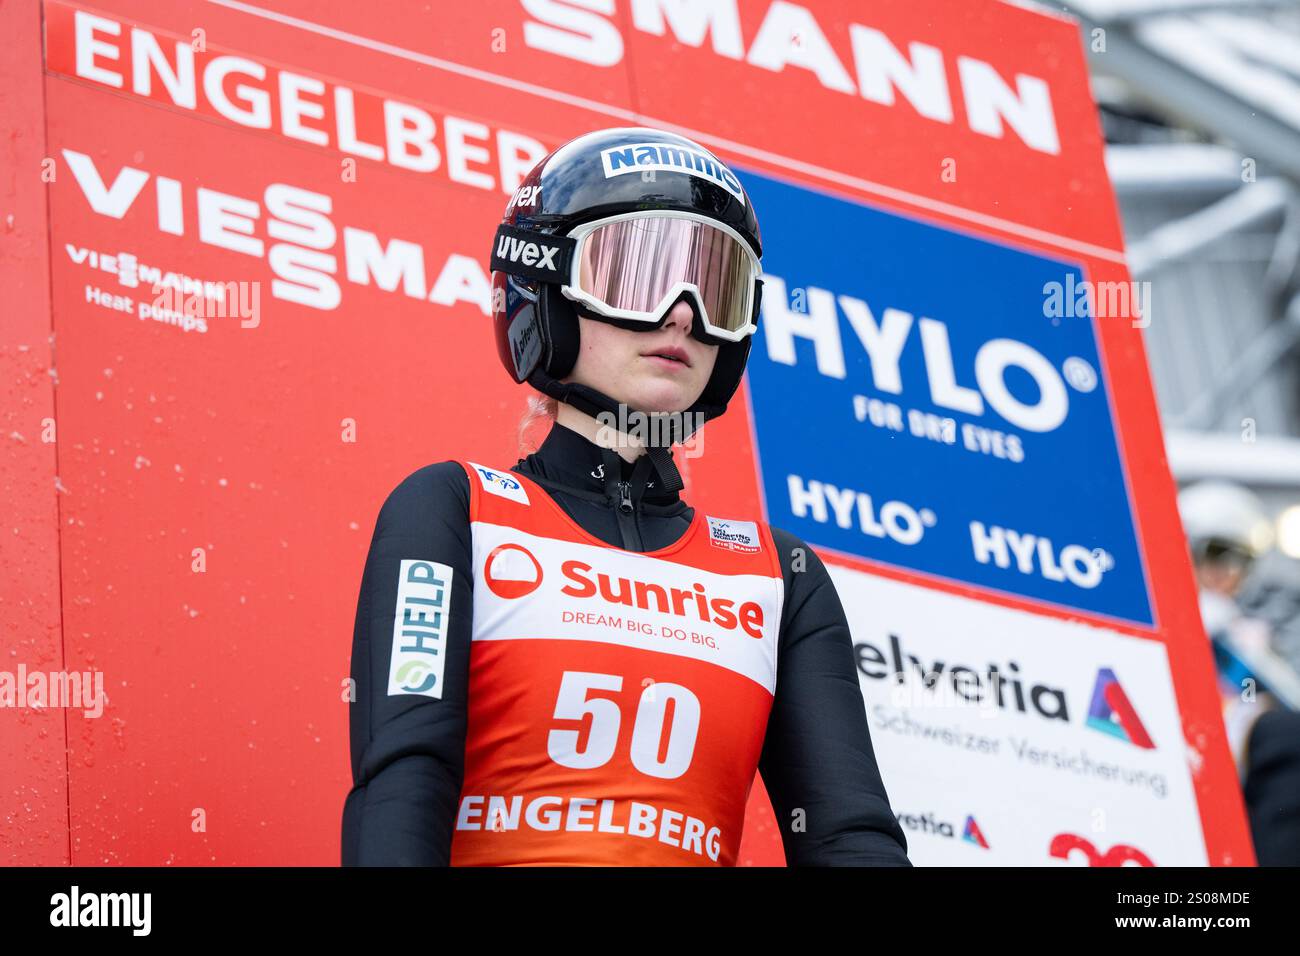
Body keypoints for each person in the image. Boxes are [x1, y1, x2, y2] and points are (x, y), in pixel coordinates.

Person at [341, 127, 910, 867]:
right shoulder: (454, 510)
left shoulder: (780, 575)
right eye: (638, 274)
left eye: (715, 285)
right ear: (545, 285)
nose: (681, 314)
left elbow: (848, 841)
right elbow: (401, 788)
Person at [1178, 480, 1300, 865]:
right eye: (1217, 554)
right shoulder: (1171, 620)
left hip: (1239, 763)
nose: (1228, 572)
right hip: (1191, 748)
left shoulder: (1243, 634)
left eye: (1241, 560)